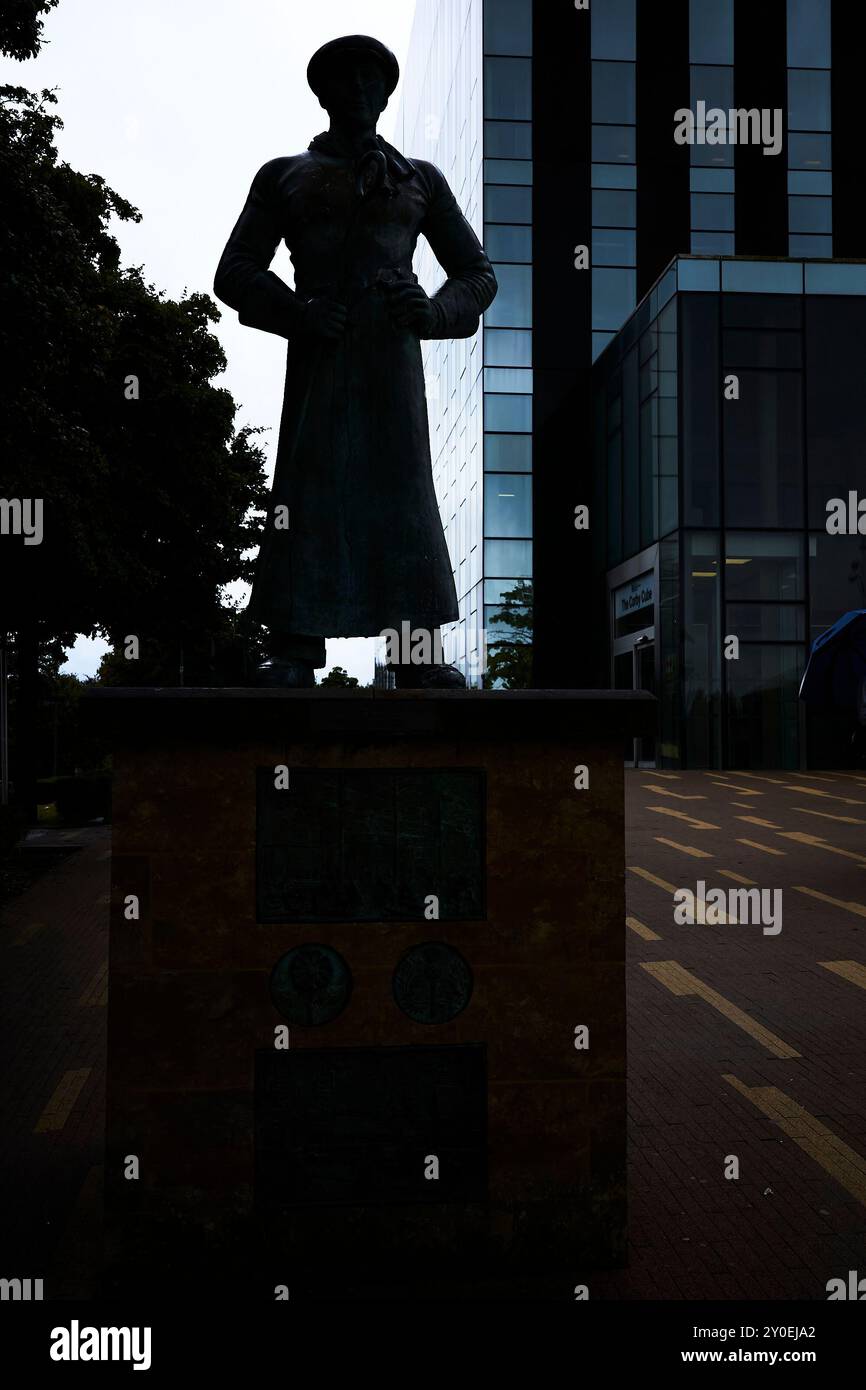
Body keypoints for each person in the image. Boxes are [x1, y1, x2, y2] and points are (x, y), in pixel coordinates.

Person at [214, 35, 498, 687]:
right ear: (325, 94)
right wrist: (297, 312)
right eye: (350, 80)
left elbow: (477, 273)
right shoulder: (284, 175)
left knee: (402, 491)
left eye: (375, 81)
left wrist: (432, 312)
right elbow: (233, 271)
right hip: (323, 350)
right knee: (310, 489)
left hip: (392, 358)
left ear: (386, 94)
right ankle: (292, 646)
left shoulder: (418, 180)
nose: (364, 91)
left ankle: (415, 650)